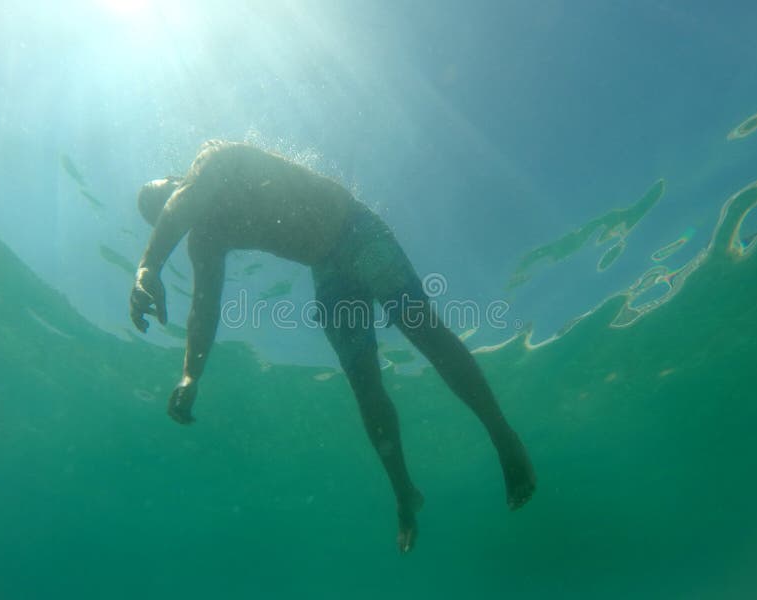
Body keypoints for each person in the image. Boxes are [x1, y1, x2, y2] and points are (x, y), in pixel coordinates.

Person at [129, 140, 536, 552]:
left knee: (425, 333)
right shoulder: (205, 238)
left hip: (355, 230)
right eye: (170, 220)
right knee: (364, 384)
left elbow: (185, 201)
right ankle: (403, 493)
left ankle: (503, 436)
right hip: (327, 270)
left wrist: (148, 266)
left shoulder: (213, 160)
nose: (181, 215)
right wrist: (190, 375)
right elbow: (205, 306)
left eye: (168, 199)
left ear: (179, 183)